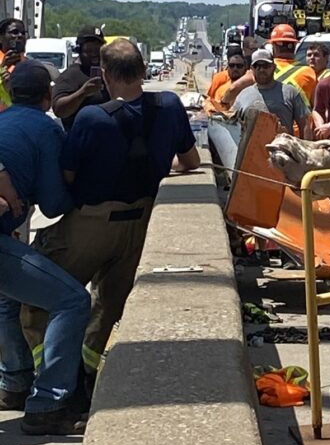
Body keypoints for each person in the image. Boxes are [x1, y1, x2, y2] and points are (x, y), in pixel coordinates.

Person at [22, 40, 200, 384]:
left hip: (93, 223)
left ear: (104, 75)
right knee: (106, 307)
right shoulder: (170, 105)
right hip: (143, 222)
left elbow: (68, 177)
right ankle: (87, 375)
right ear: (144, 71)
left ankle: (48, 378)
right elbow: (190, 162)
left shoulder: (91, 118)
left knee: (36, 298)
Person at [0, 62, 91, 435]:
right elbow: (54, 204)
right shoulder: (45, 129)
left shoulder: (2, 122)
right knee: (72, 301)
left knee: (7, 300)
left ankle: (15, 383)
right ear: (48, 97)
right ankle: (48, 403)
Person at [233, 48, 311, 134]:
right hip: (252, 147)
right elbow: (232, 124)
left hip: (281, 146)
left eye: (265, 66)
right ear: (252, 69)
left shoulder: (290, 92)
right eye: (257, 66)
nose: (261, 70)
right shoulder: (243, 95)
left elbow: (304, 124)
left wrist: (306, 145)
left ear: (274, 67)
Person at [51, 27, 109, 130]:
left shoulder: (107, 72)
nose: (95, 54)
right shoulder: (70, 75)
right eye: (90, 50)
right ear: (79, 49)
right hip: (80, 139)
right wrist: (83, 93)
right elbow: (59, 109)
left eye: (98, 49)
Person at [270, 23, 317, 107]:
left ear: (274, 46)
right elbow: (317, 106)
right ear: (294, 46)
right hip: (300, 120)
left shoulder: (263, 69)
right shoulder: (309, 72)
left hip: (270, 119)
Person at [204, 46, 246, 115]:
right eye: (232, 65)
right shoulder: (220, 87)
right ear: (228, 67)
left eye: (239, 66)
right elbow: (210, 100)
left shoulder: (250, 87)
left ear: (245, 68)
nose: (235, 69)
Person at [0, 17, 28, 110]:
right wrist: (2, 68)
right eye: (14, 32)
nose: (20, 36)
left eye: (23, 33)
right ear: (1, 37)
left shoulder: (29, 65)